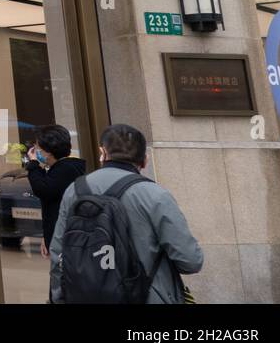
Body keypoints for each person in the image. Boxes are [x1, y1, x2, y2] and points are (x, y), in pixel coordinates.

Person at [49, 123, 202, 304]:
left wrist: (59, 298)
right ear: (144, 160)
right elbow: (190, 261)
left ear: (102, 153)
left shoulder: (74, 190)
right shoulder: (156, 195)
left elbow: (58, 254)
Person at [23, 123, 86, 257]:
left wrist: (33, 163)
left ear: (49, 152)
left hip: (68, 239)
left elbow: (42, 189)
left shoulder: (66, 169)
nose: (35, 151)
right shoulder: (66, 167)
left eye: (38, 148)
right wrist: (47, 236)